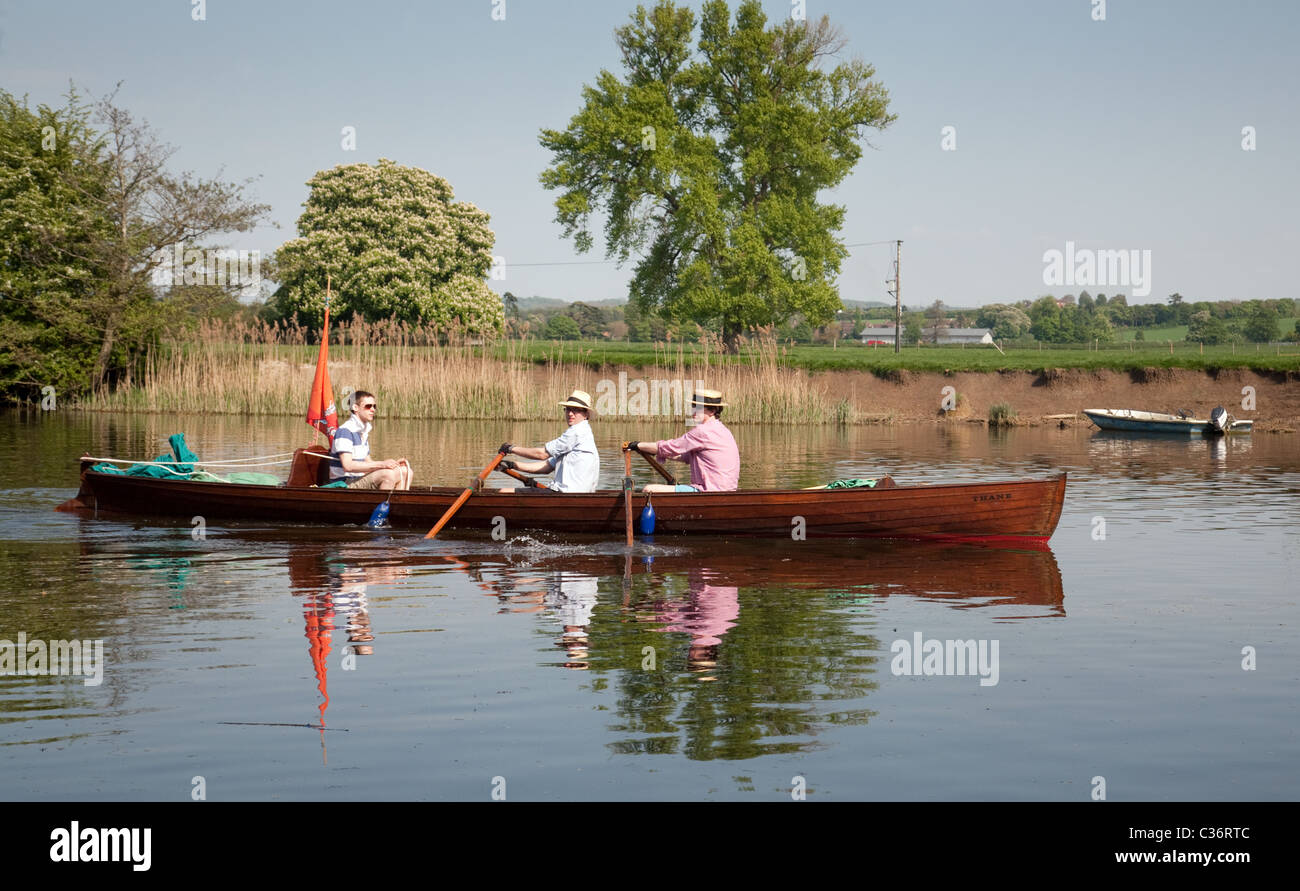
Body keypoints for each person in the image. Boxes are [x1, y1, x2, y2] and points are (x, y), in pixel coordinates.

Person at [627, 388, 738, 493]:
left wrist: (638, 445)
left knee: (649, 489)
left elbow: (672, 447)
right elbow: (684, 456)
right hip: (725, 490)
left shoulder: (703, 431)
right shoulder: (723, 430)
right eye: (693, 406)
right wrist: (653, 451)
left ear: (712, 411)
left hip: (708, 490)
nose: (693, 410)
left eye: (698, 407)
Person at [498, 389, 600, 493]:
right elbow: (547, 467)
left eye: (576, 410)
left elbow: (541, 454)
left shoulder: (577, 432)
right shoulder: (582, 433)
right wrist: (512, 465)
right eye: (568, 409)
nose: (570, 413)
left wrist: (511, 449)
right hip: (570, 494)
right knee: (505, 491)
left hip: (568, 495)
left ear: (586, 414)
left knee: (504, 492)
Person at [329, 390, 414, 490]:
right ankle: (383, 504)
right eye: (368, 406)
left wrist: (391, 464)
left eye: (374, 406)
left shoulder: (362, 431)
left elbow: (368, 462)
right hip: (344, 482)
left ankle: (397, 504)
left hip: (358, 479)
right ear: (355, 407)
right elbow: (348, 466)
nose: (373, 409)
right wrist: (382, 464)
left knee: (405, 471)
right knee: (387, 475)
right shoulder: (345, 431)